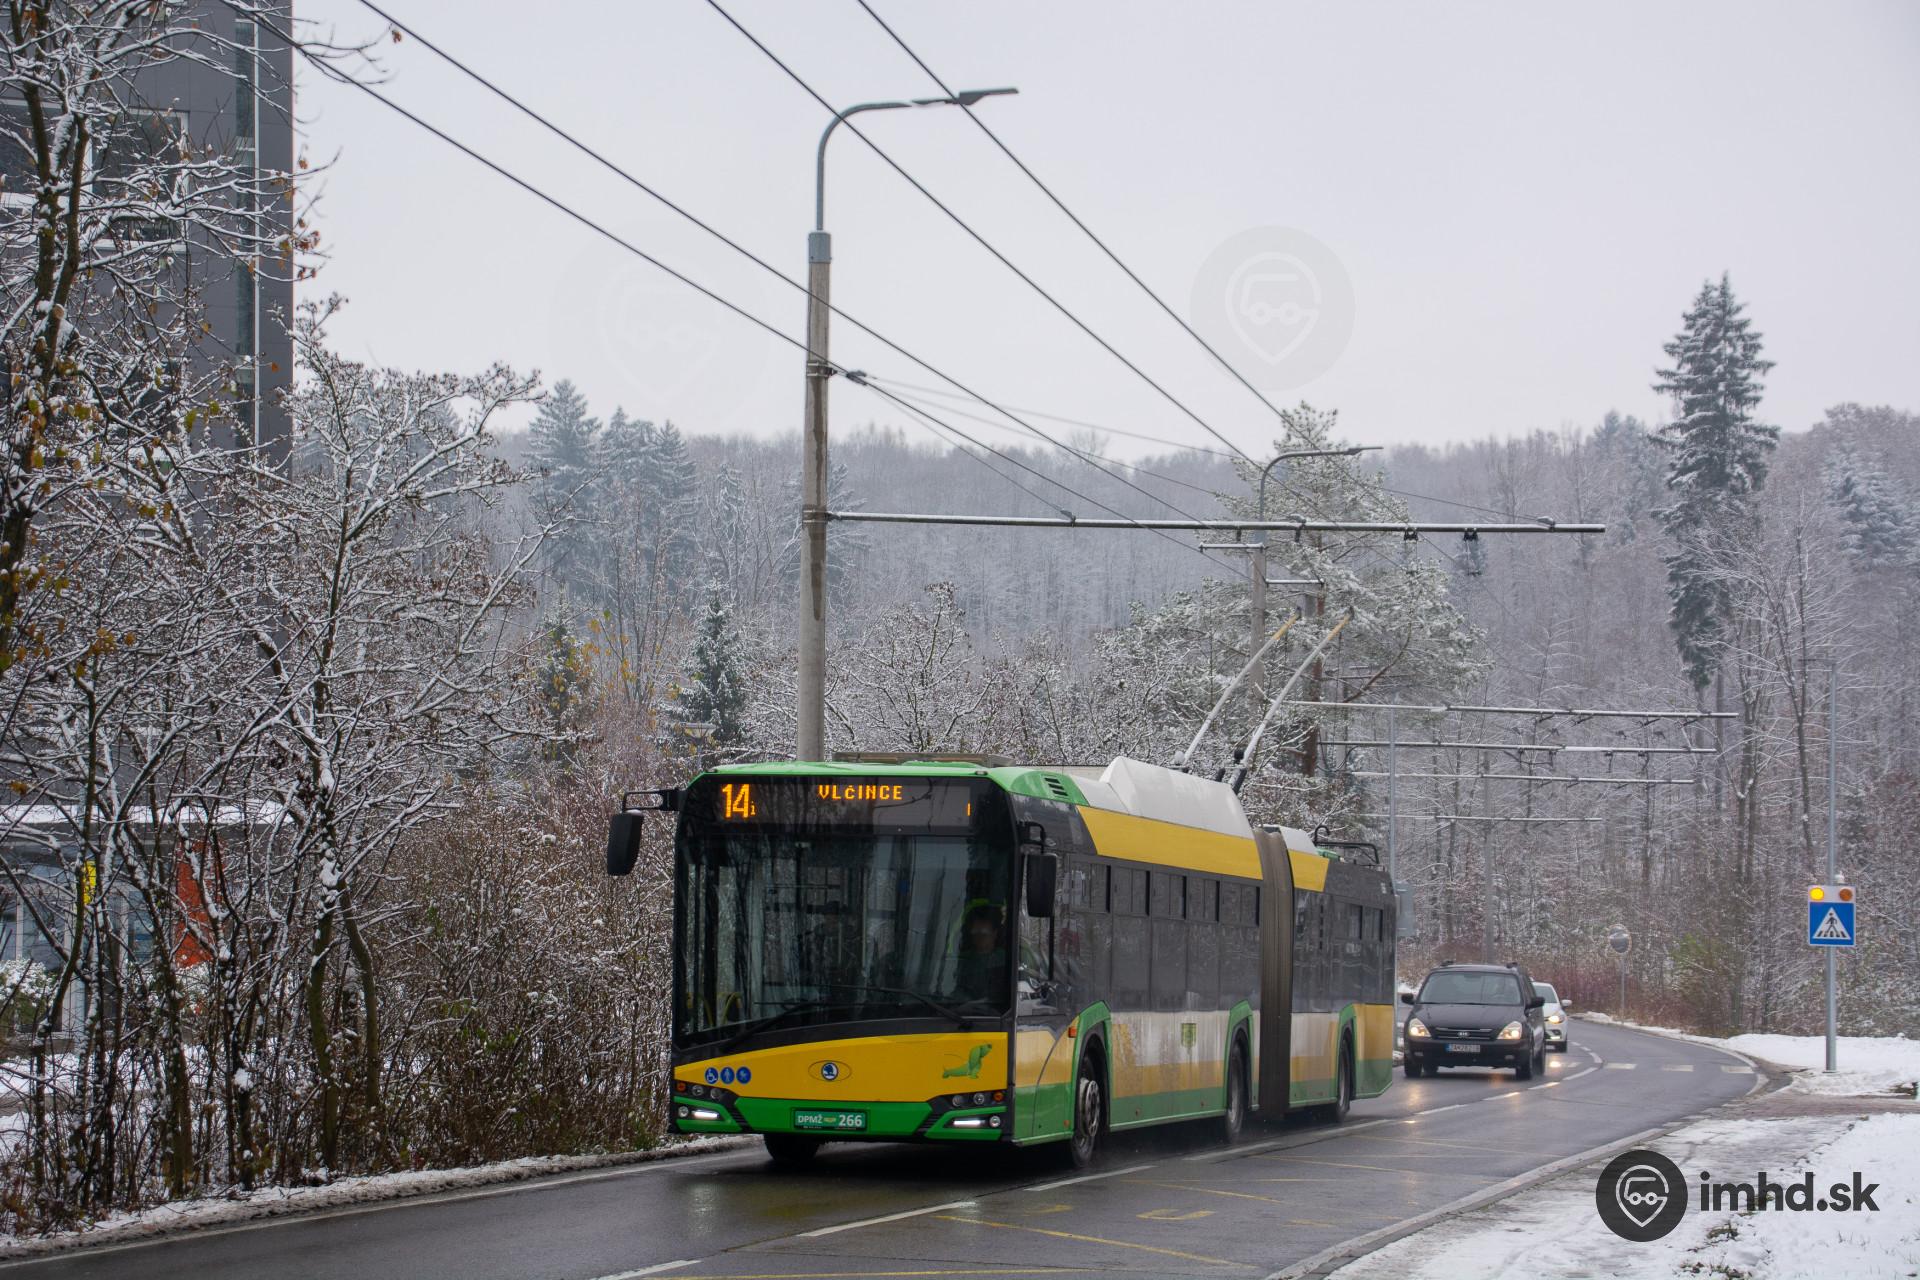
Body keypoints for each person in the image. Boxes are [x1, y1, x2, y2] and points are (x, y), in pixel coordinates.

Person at [954, 903, 1007, 1003]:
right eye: (975, 933)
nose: (979, 938)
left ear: (995, 933)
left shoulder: (1005, 960)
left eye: (984, 934)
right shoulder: (962, 960)